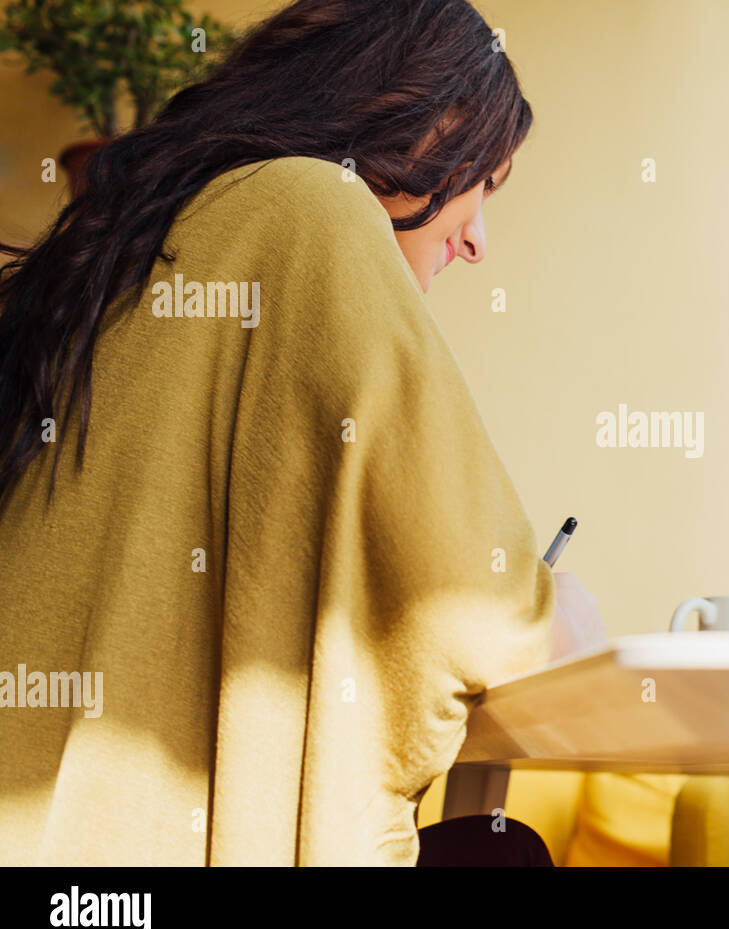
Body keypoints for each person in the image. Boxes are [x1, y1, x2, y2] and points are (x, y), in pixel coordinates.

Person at [0, 0, 605, 866]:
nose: (476, 240)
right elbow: (474, 605)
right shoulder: (309, 209)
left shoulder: (135, 238)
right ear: (432, 126)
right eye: (483, 184)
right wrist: (561, 615)